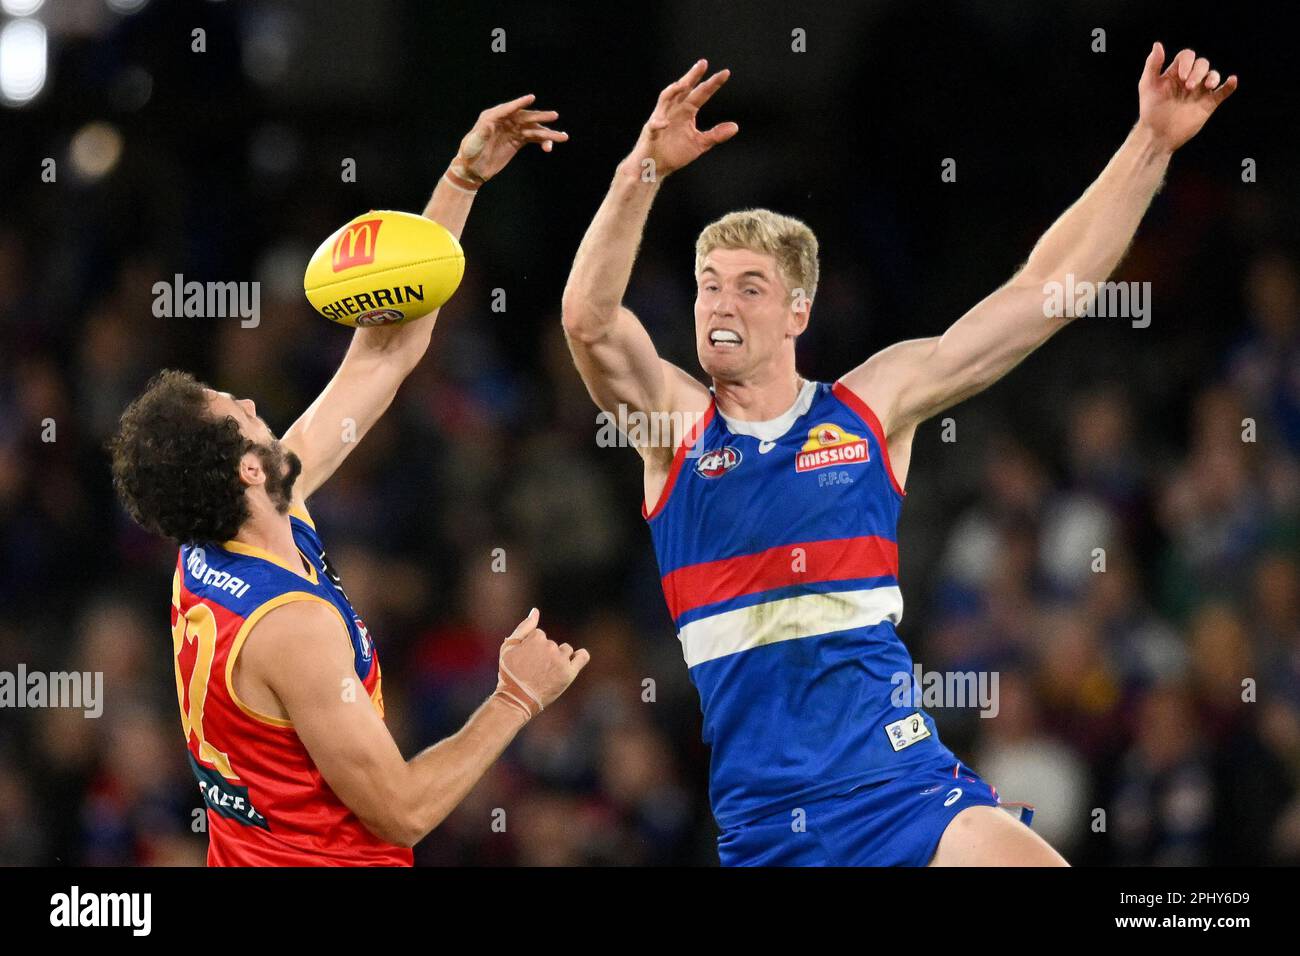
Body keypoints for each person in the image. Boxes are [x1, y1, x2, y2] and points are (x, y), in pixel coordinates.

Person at [560, 46, 1236, 865]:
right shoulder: (675, 431)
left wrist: (1151, 143)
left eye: (749, 286)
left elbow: (1046, 290)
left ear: (797, 313)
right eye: (708, 284)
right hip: (773, 826)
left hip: (905, 789)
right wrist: (643, 169)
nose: (720, 303)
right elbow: (591, 323)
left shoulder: (873, 406)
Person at [109, 96, 589, 866]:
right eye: (233, 409)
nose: (251, 400)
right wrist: (515, 699)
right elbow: (402, 812)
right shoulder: (290, 628)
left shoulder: (245, 518)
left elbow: (382, 356)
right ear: (243, 465)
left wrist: (463, 176)